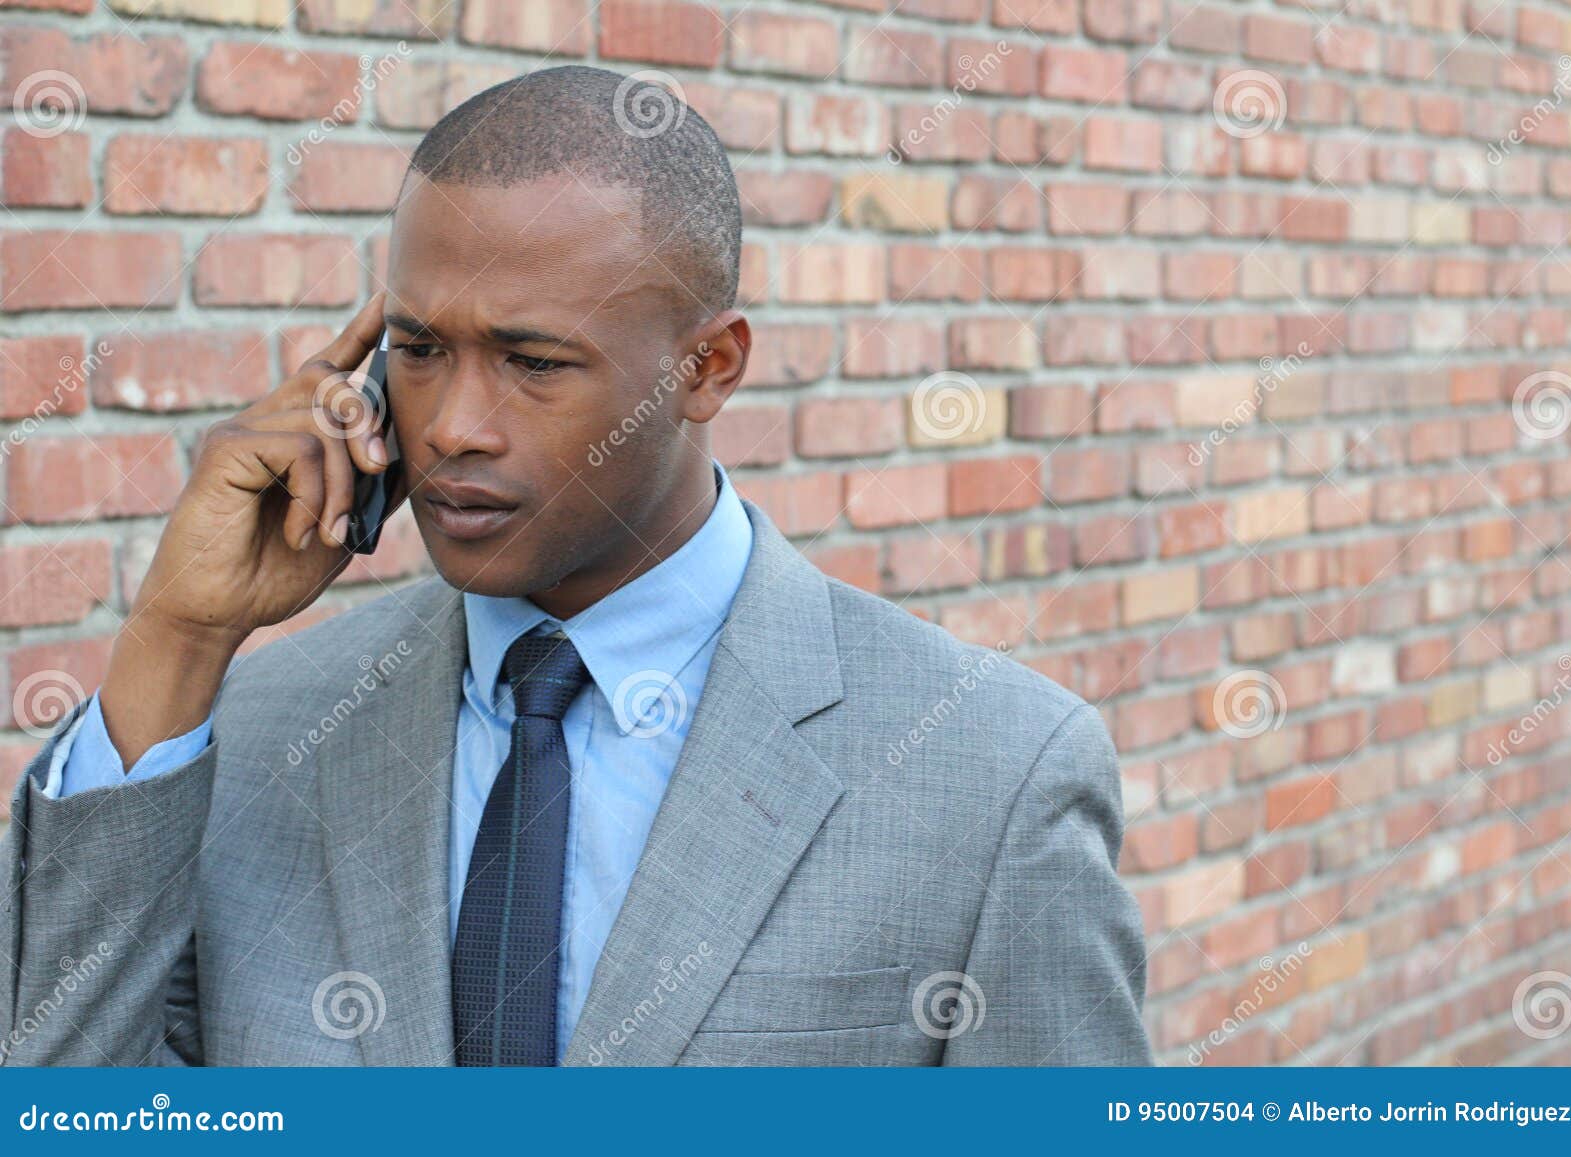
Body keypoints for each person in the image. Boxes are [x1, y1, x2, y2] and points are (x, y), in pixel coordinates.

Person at [0, 65, 1151, 1067]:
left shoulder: (992, 773)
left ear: (707, 366)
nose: (453, 423)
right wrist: (178, 636)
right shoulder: (260, 726)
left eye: (532, 361)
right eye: (417, 348)